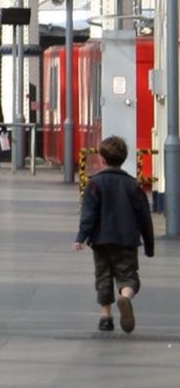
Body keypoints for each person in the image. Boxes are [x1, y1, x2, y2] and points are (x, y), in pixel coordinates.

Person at [72, 136, 154, 334]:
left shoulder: (95, 184)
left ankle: (106, 317)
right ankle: (125, 297)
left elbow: (88, 215)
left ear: (101, 159)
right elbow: (144, 217)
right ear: (124, 159)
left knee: (103, 277)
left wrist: (80, 237)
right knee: (128, 277)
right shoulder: (133, 186)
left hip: (100, 240)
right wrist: (149, 245)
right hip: (127, 240)